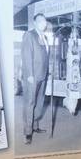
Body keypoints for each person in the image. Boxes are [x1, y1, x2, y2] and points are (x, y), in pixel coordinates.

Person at [21, 13, 52, 145]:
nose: (43, 23)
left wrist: (48, 72)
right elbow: (26, 55)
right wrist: (29, 75)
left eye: (44, 21)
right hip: (32, 76)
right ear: (35, 23)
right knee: (30, 103)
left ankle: (35, 126)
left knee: (39, 102)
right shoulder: (30, 35)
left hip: (43, 75)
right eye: (40, 21)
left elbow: (45, 57)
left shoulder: (44, 37)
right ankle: (28, 132)